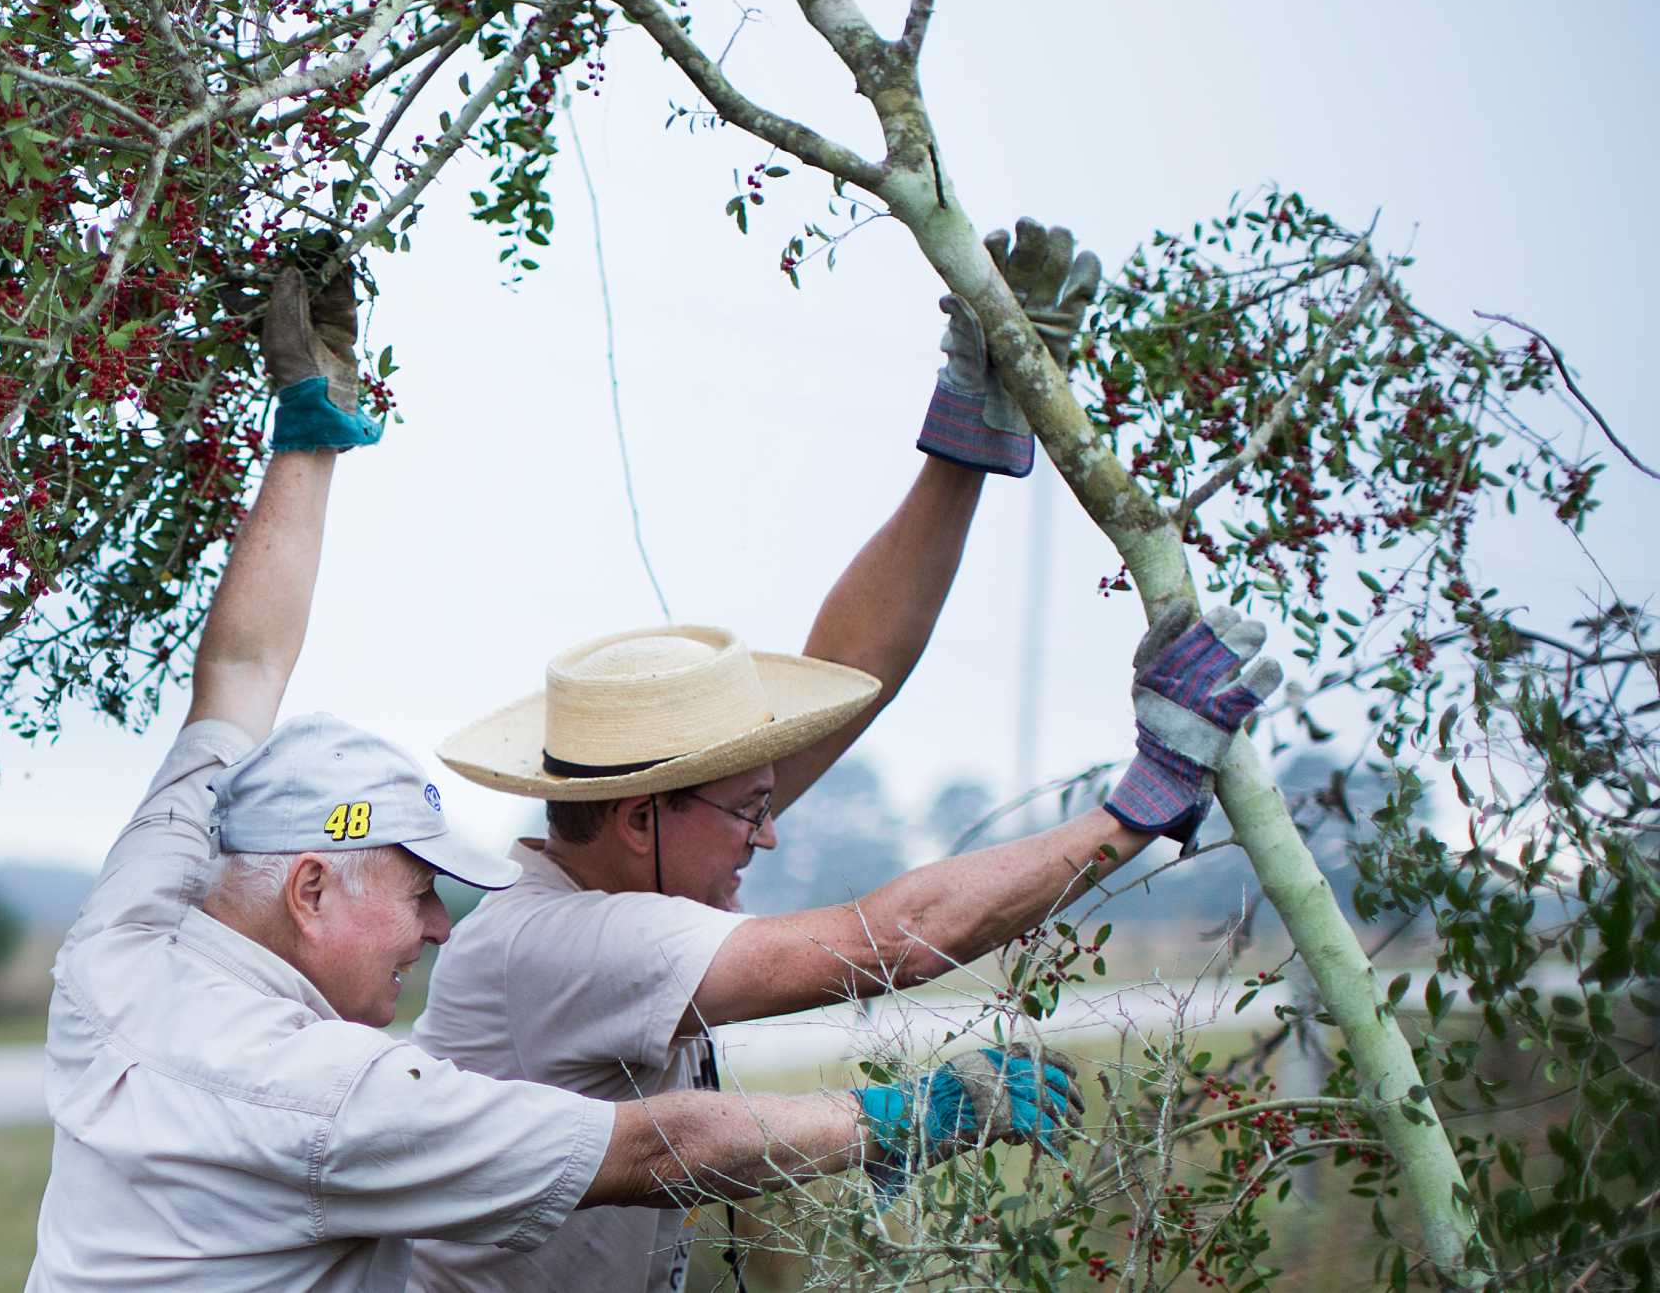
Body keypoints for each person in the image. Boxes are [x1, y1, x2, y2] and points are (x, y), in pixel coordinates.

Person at [22, 256, 1079, 1292]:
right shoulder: (330, 1093)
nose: (439, 927)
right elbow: (666, 1143)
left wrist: (306, 431)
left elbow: (241, 672)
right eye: (418, 890)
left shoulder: (132, 927)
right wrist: (902, 1112)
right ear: (309, 888)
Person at [408, 221, 1285, 1293]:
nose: (770, 833)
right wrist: (1142, 800)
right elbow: (892, 943)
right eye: (749, 811)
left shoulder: (629, 868)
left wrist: (968, 433)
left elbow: (850, 674)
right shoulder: (566, 942)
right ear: (641, 819)